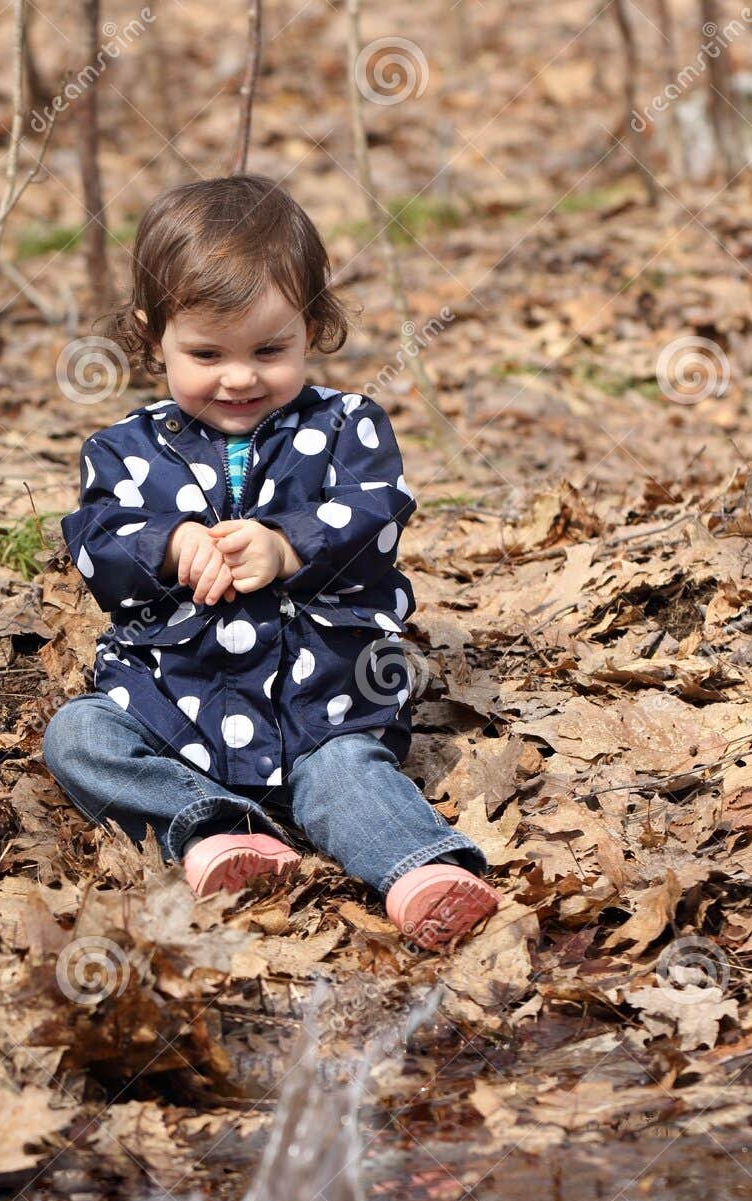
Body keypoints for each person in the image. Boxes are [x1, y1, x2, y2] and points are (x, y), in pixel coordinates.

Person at [42, 174, 499, 950]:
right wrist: (169, 545)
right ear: (153, 337)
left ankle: (420, 873)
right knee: (79, 735)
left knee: (351, 776)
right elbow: (97, 543)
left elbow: (377, 514)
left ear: (312, 326)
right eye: (206, 353)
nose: (240, 377)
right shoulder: (121, 450)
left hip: (320, 708)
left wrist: (288, 544)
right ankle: (216, 829)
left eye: (269, 349)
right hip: (174, 707)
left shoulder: (347, 425)